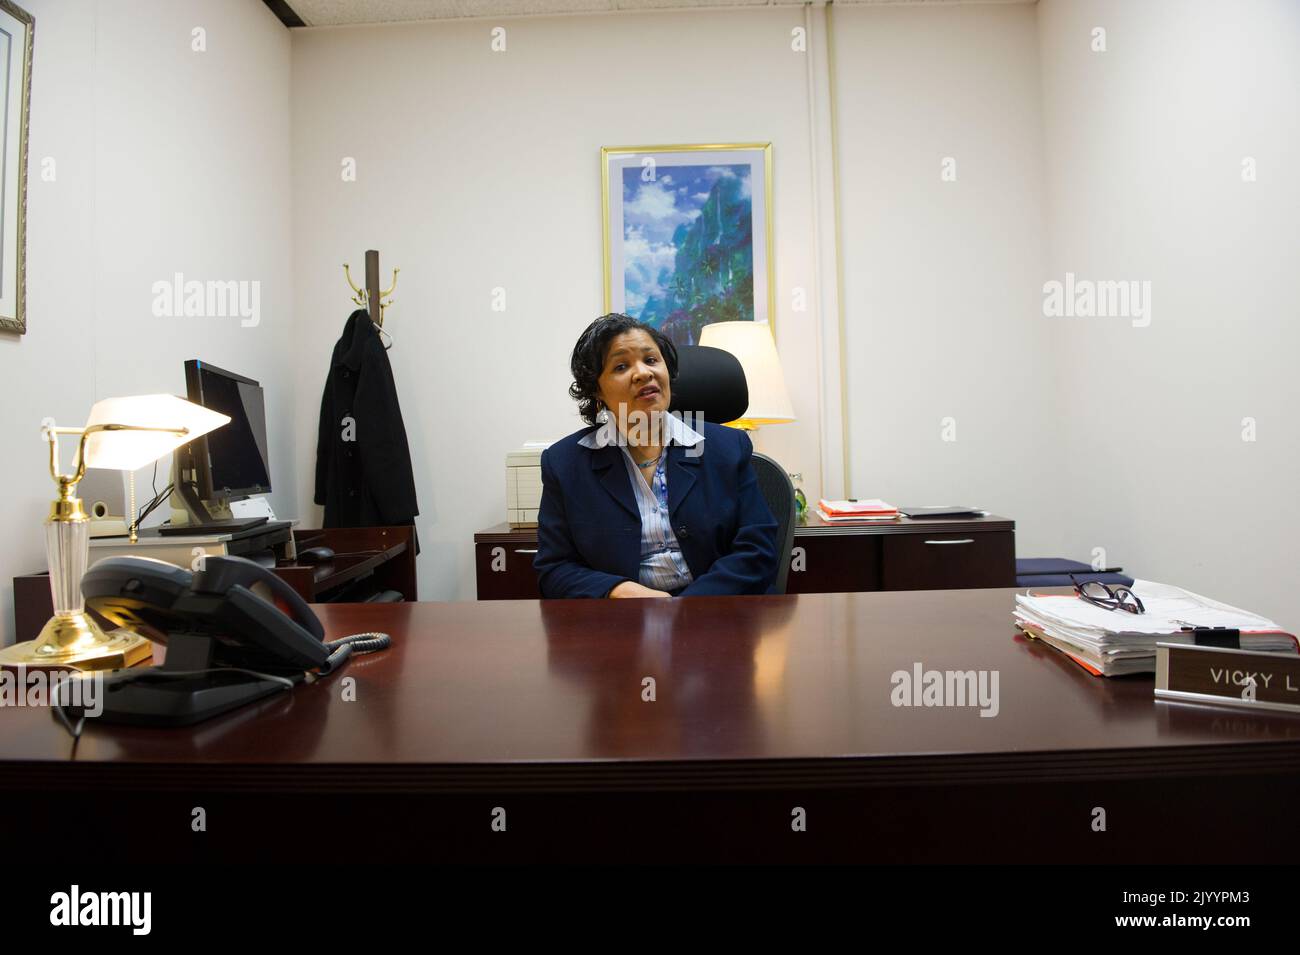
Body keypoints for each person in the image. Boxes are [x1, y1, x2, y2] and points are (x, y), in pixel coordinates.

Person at [534, 313, 779, 599]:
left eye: (651, 360)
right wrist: (621, 592)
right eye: (621, 366)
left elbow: (758, 549)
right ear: (596, 390)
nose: (643, 373)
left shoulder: (728, 447)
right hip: (621, 621)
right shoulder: (565, 464)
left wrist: (685, 608)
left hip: (719, 613)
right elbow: (555, 569)